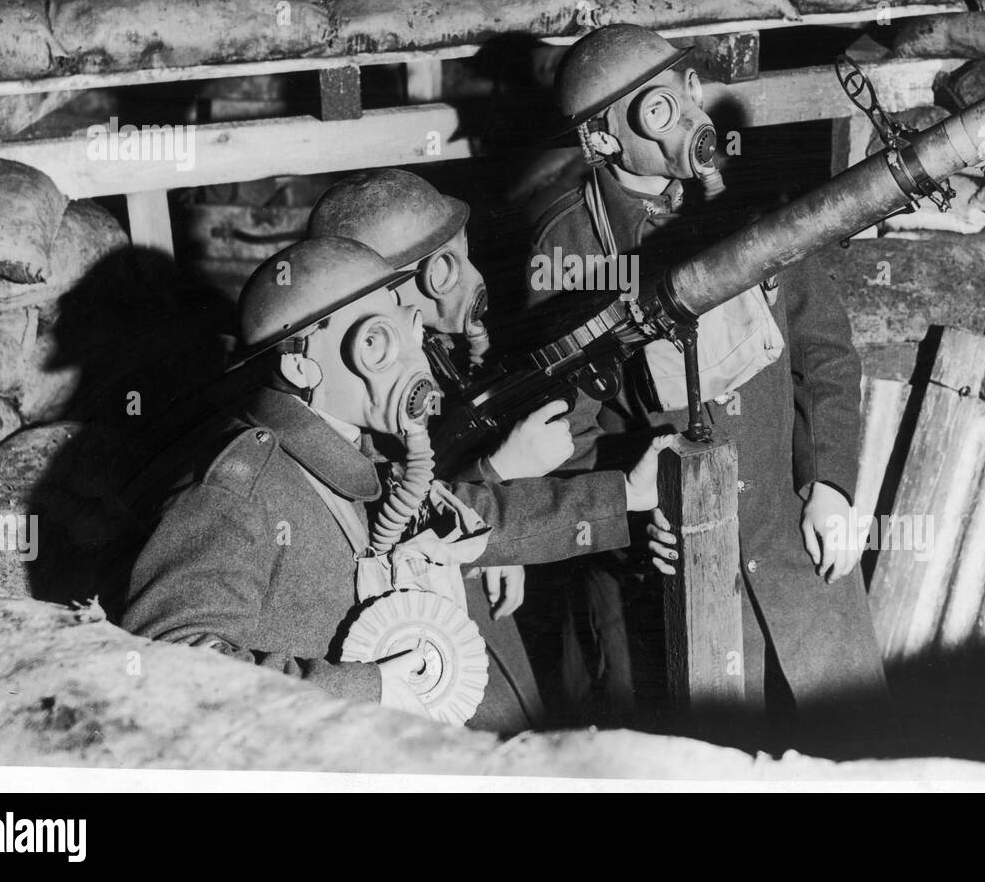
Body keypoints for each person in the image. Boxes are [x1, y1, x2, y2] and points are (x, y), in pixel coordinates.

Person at [123, 235, 673, 724]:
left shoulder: (347, 449)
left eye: (408, 329)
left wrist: (626, 494)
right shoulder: (236, 488)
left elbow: (471, 518)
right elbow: (169, 664)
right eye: (377, 342)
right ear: (299, 367)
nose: (413, 359)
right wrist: (368, 688)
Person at [527, 23, 889, 752]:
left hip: (794, 545)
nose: (687, 116)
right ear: (601, 140)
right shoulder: (571, 248)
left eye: (687, 87)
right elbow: (557, 433)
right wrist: (631, 523)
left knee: (855, 757)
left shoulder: (745, 198)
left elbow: (824, 352)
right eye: (653, 110)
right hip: (671, 589)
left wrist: (833, 484)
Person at [308, 168, 677, 732]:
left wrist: (508, 542)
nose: (465, 278)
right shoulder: (363, 382)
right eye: (443, 266)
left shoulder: (437, 352)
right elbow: (388, 500)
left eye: (462, 252)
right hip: (412, 629)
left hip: (472, 580)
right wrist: (504, 468)